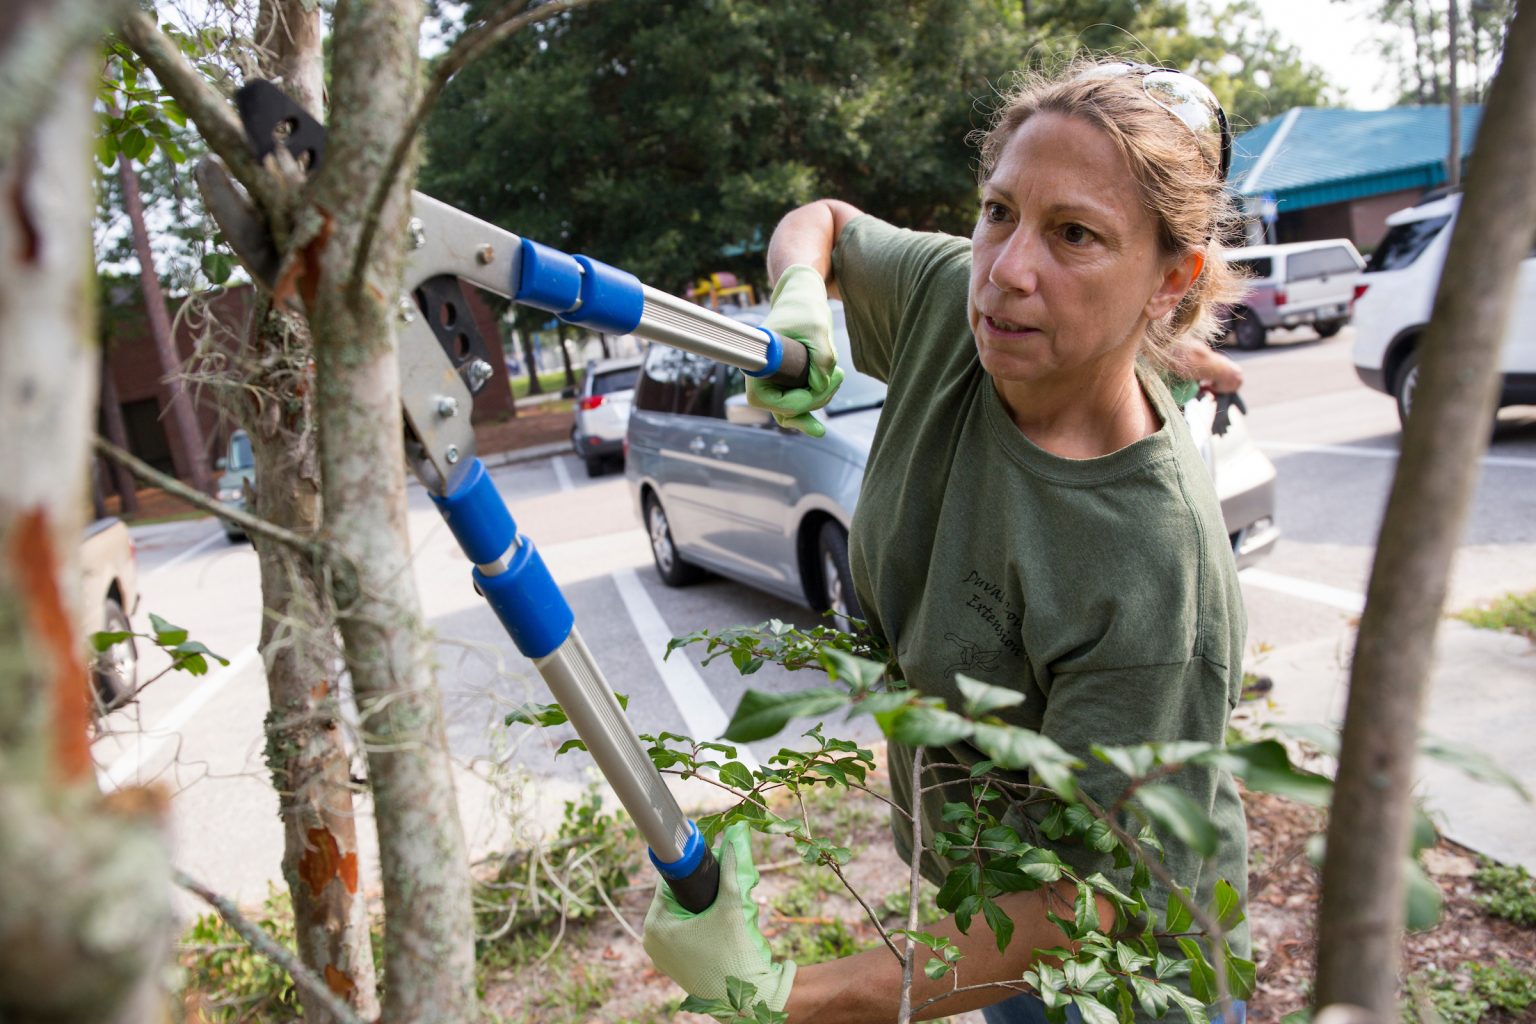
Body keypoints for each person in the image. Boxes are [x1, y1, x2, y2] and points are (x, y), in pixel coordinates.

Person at [643, 57, 1252, 1023]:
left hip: (1131, 987)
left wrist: (789, 998)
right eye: (999, 211)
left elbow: (1099, 902)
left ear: (1169, 280)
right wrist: (798, 294)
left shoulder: (1150, 561)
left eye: (1076, 234)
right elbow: (824, 222)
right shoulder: (950, 308)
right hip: (988, 916)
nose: (1008, 270)